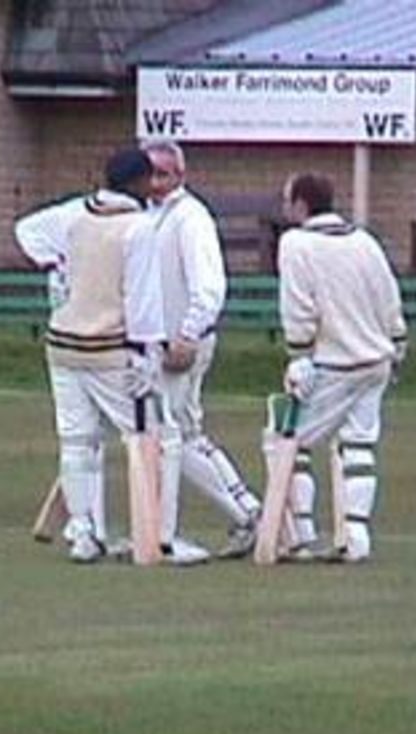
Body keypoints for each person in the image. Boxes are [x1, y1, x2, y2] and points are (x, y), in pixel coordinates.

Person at [36, 147, 168, 563]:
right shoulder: (139, 228)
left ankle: (83, 533)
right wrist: (147, 354)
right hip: (110, 349)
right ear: (138, 182)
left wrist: (56, 272)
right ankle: (155, 537)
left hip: (63, 343)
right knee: (148, 438)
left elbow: (29, 233)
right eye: (150, 179)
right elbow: (142, 296)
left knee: (77, 441)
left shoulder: (74, 216)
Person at [269, 171, 407, 562]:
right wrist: (397, 344)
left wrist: (299, 355)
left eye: (287, 201)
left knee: (285, 439)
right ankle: (356, 539)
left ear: (300, 204)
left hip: (334, 363)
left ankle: (301, 535)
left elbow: (298, 305)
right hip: (376, 361)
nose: (284, 208)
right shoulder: (365, 241)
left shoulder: (295, 244)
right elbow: (389, 298)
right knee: (358, 443)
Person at [140, 139, 262, 561]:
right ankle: (248, 512)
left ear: (180, 175)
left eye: (163, 174)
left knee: (173, 434)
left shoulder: (190, 217)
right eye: (149, 174)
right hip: (156, 344)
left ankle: (240, 516)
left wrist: (188, 334)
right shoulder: (147, 215)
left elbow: (209, 286)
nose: (155, 183)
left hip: (183, 343)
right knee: (181, 434)